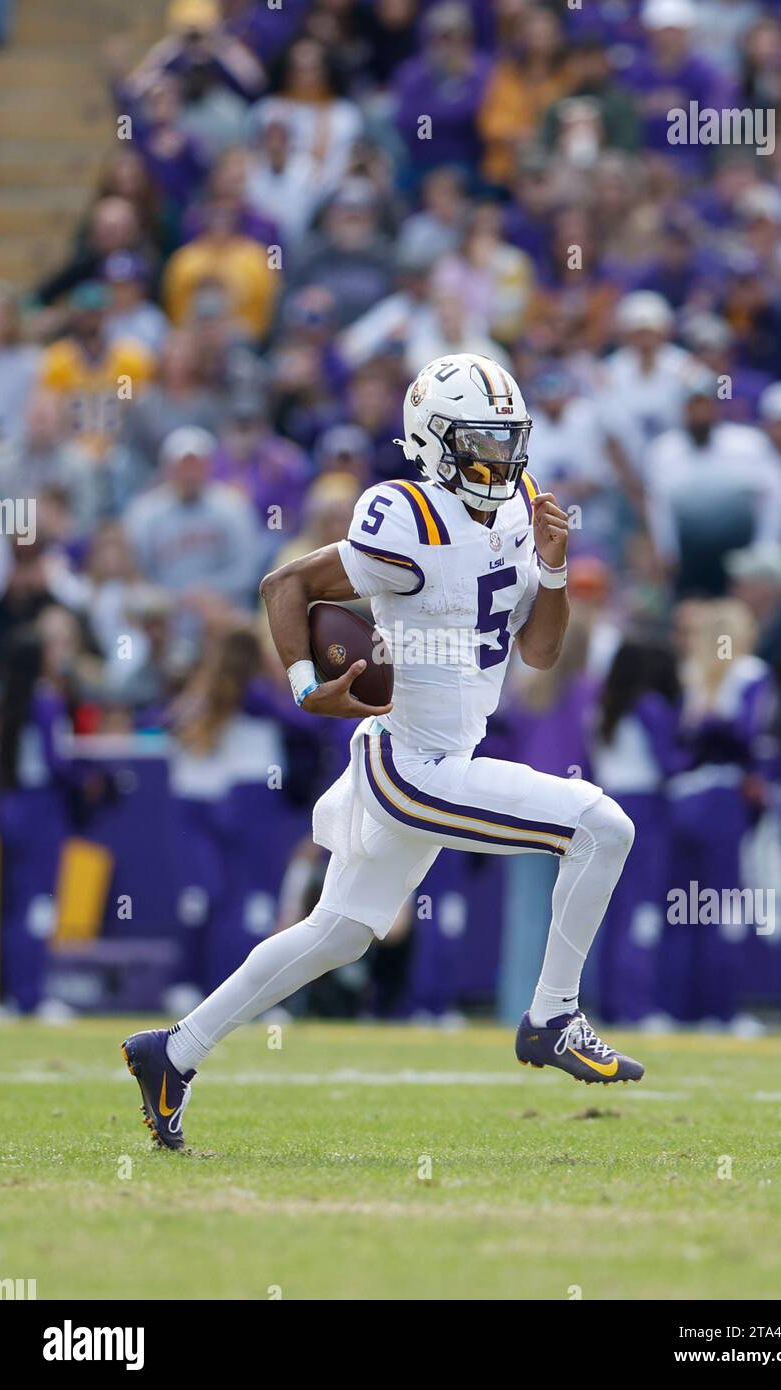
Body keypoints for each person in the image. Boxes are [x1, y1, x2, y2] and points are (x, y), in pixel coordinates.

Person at [121, 353, 644, 1149]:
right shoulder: (406, 516)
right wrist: (306, 686)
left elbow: (539, 653)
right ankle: (553, 1016)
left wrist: (555, 566)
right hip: (414, 763)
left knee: (339, 931)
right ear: (433, 442)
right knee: (602, 826)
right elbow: (283, 587)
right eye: (481, 442)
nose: (501, 461)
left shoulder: (520, 506)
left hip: (440, 755)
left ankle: (173, 1051)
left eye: (509, 441)